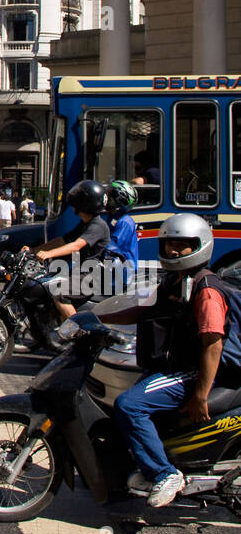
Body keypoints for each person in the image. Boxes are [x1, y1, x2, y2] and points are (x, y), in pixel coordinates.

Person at [103, 215, 241, 508]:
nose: (175, 252)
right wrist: (97, 318)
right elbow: (144, 311)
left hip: (193, 371)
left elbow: (212, 345)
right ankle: (145, 462)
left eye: (183, 246)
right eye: (169, 246)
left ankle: (165, 474)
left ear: (200, 246)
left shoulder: (206, 291)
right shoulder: (176, 281)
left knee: (129, 405)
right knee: (131, 404)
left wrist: (201, 395)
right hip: (175, 366)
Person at [33, 179, 110, 320]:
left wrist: (48, 254)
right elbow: (62, 240)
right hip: (82, 272)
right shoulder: (86, 223)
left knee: (60, 294)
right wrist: (33, 250)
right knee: (48, 285)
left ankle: (78, 332)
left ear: (84, 203)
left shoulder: (97, 225)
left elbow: (76, 245)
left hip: (93, 276)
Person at [104, 180, 139, 268]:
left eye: (109, 194)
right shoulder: (113, 217)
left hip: (122, 273)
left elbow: (113, 247)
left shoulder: (125, 222)